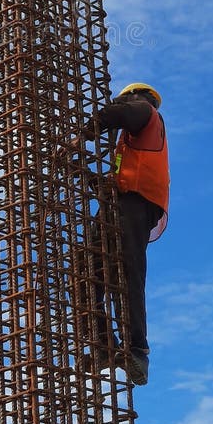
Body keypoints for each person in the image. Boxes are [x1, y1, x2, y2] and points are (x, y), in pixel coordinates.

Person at [77, 82, 169, 386]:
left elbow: (119, 114)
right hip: (119, 202)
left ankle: (137, 349)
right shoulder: (130, 145)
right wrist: (85, 174)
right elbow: (114, 182)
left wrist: (88, 131)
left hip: (137, 203)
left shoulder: (146, 112)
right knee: (84, 273)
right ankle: (104, 345)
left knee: (126, 272)